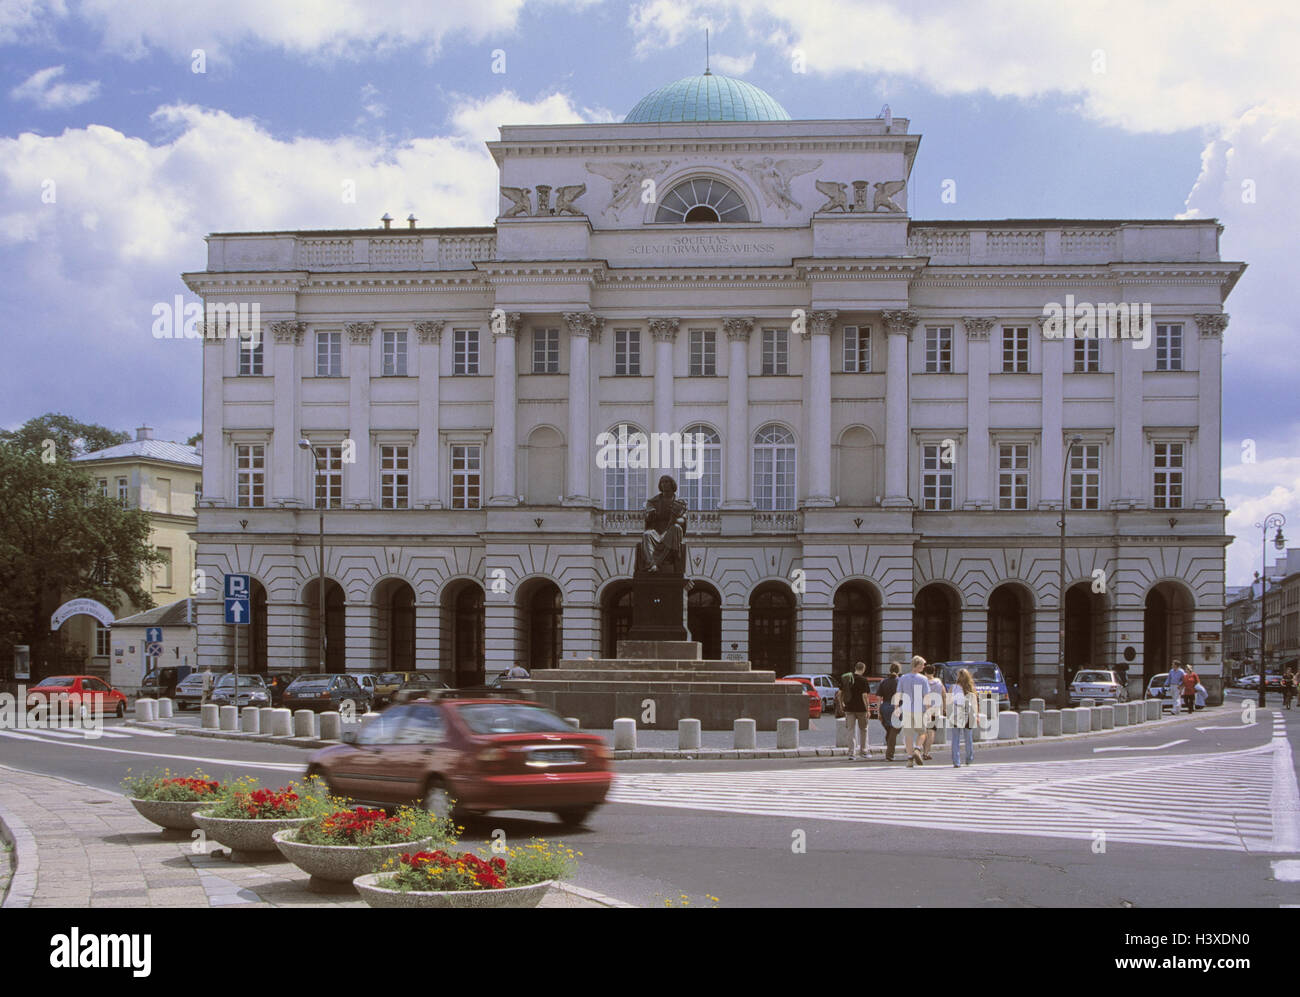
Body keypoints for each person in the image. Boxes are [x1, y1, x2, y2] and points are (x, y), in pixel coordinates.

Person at [897, 656, 931, 767]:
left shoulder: (903, 678)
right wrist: (928, 709)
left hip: (906, 709)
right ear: (917, 665)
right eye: (922, 664)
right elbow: (926, 696)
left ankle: (910, 759)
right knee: (922, 732)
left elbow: (898, 694)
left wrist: (896, 707)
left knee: (908, 735)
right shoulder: (923, 679)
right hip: (919, 709)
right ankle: (917, 749)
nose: (924, 667)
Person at [950, 668, 979, 767]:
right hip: (968, 713)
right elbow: (974, 704)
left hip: (956, 712)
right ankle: (969, 759)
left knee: (955, 739)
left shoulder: (953, 687)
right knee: (968, 738)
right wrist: (977, 715)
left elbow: (949, 702)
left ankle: (956, 761)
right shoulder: (971, 688)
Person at [843, 662, 871, 760]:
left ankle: (851, 753)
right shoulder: (863, 680)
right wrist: (868, 709)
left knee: (850, 730)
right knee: (863, 729)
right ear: (863, 669)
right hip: (861, 709)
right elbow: (864, 696)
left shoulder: (847, 679)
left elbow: (839, 693)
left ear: (855, 668)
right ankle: (863, 751)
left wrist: (842, 704)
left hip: (849, 708)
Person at [920, 663, 947, 761]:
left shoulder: (922, 681)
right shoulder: (939, 682)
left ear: (925, 672)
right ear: (934, 672)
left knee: (923, 731)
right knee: (931, 732)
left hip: (923, 709)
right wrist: (944, 707)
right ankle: (926, 753)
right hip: (935, 710)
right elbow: (944, 694)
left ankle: (922, 750)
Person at [876, 663, 902, 760]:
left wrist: (878, 711)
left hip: (885, 706)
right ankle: (889, 754)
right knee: (894, 731)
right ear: (899, 670)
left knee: (890, 730)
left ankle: (889, 747)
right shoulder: (900, 681)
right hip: (897, 707)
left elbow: (878, 697)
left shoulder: (883, 682)